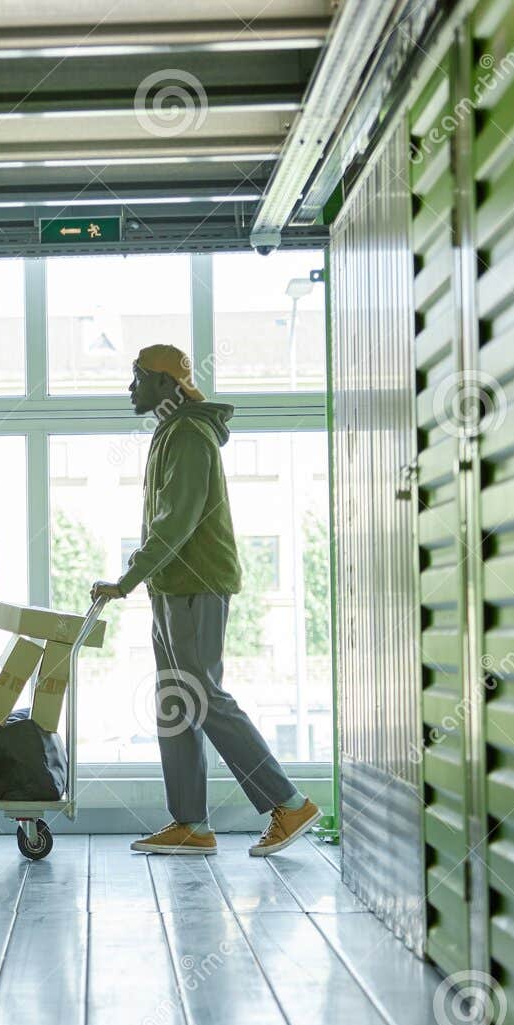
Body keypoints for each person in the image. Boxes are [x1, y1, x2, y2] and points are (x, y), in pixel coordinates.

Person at [90, 344, 318, 857]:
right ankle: (189, 823)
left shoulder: (190, 435)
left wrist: (126, 579)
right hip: (172, 587)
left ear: (169, 384)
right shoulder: (172, 432)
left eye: (139, 377)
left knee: (204, 696)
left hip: (195, 585)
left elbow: (176, 521)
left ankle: (290, 802)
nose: (131, 389)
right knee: (176, 705)